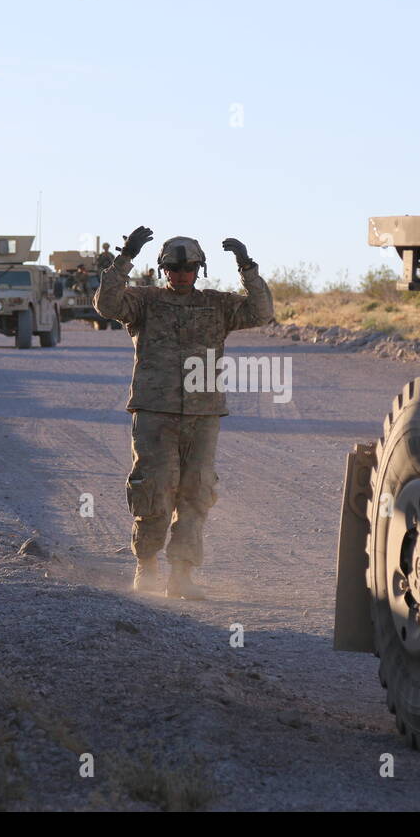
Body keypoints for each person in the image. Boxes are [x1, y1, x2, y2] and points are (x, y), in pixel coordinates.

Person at [94, 226, 273, 599]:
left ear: (199, 269)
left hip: (203, 415)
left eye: (189, 268)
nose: (181, 275)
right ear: (163, 271)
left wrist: (247, 267)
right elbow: (106, 304)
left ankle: (182, 574)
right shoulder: (144, 302)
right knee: (155, 489)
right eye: (174, 270)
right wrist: (124, 258)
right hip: (155, 412)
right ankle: (147, 565)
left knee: (196, 492)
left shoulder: (217, 304)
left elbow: (261, 311)